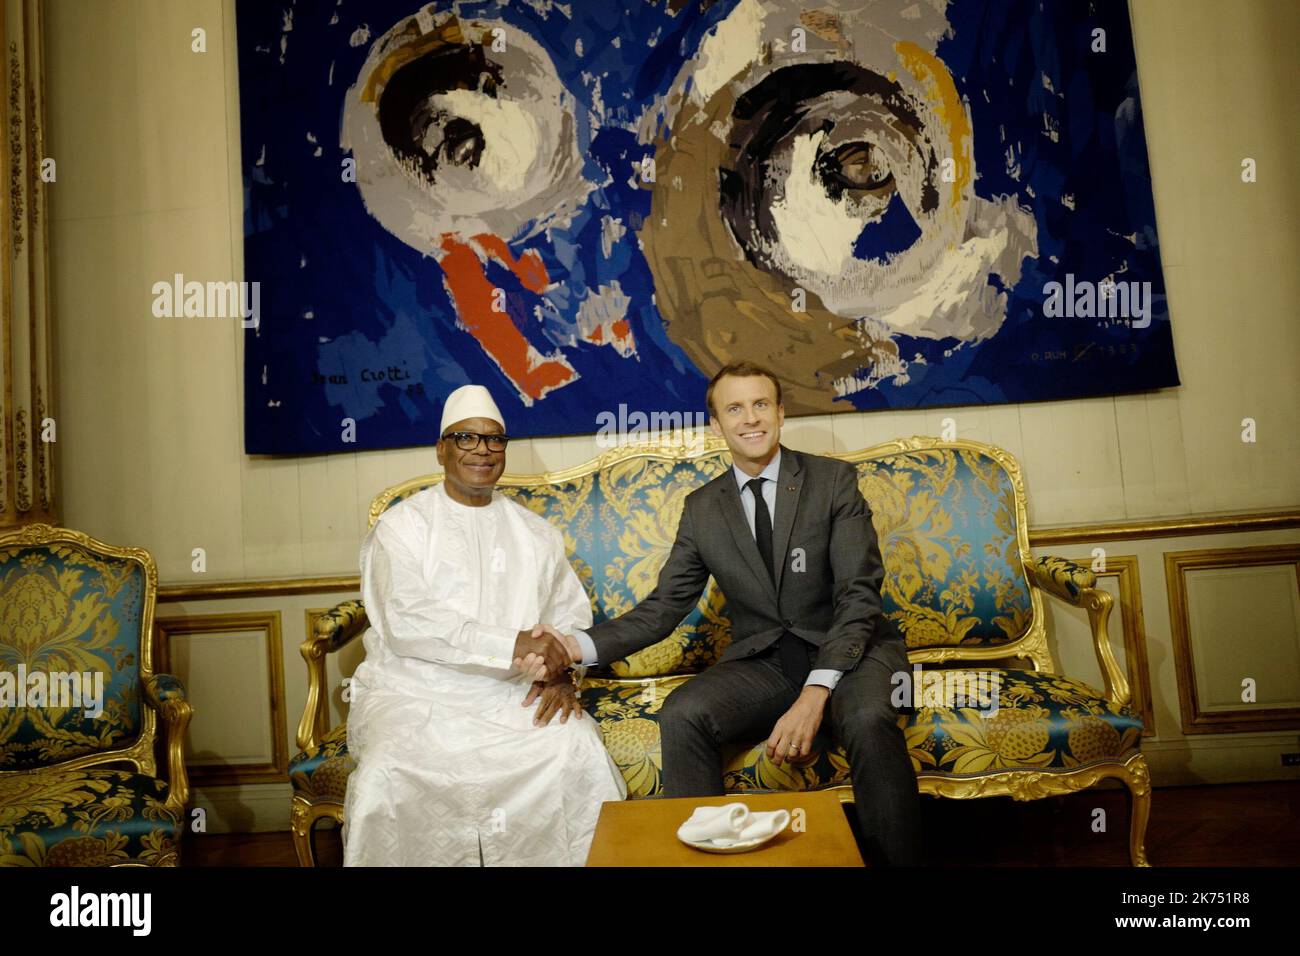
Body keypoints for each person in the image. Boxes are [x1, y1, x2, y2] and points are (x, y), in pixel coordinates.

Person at [567, 362, 923, 865]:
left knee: (866, 718)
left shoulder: (833, 481)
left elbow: (859, 595)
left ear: (780, 413)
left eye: (761, 404)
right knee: (684, 713)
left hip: (856, 652)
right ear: (716, 424)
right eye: (734, 408)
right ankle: (703, 862)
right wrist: (573, 646)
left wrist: (815, 693)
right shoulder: (702, 508)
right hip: (768, 661)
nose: (750, 418)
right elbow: (665, 607)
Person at [342, 384, 626, 866]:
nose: (482, 450)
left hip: (509, 693)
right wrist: (511, 640)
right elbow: (407, 622)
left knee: (575, 750)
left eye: (494, 440)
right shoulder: (402, 527)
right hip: (415, 694)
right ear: (441, 449)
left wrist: (560, 672)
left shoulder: (536, 534)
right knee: (386, 774)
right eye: (466, 438)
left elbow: (568, 616)